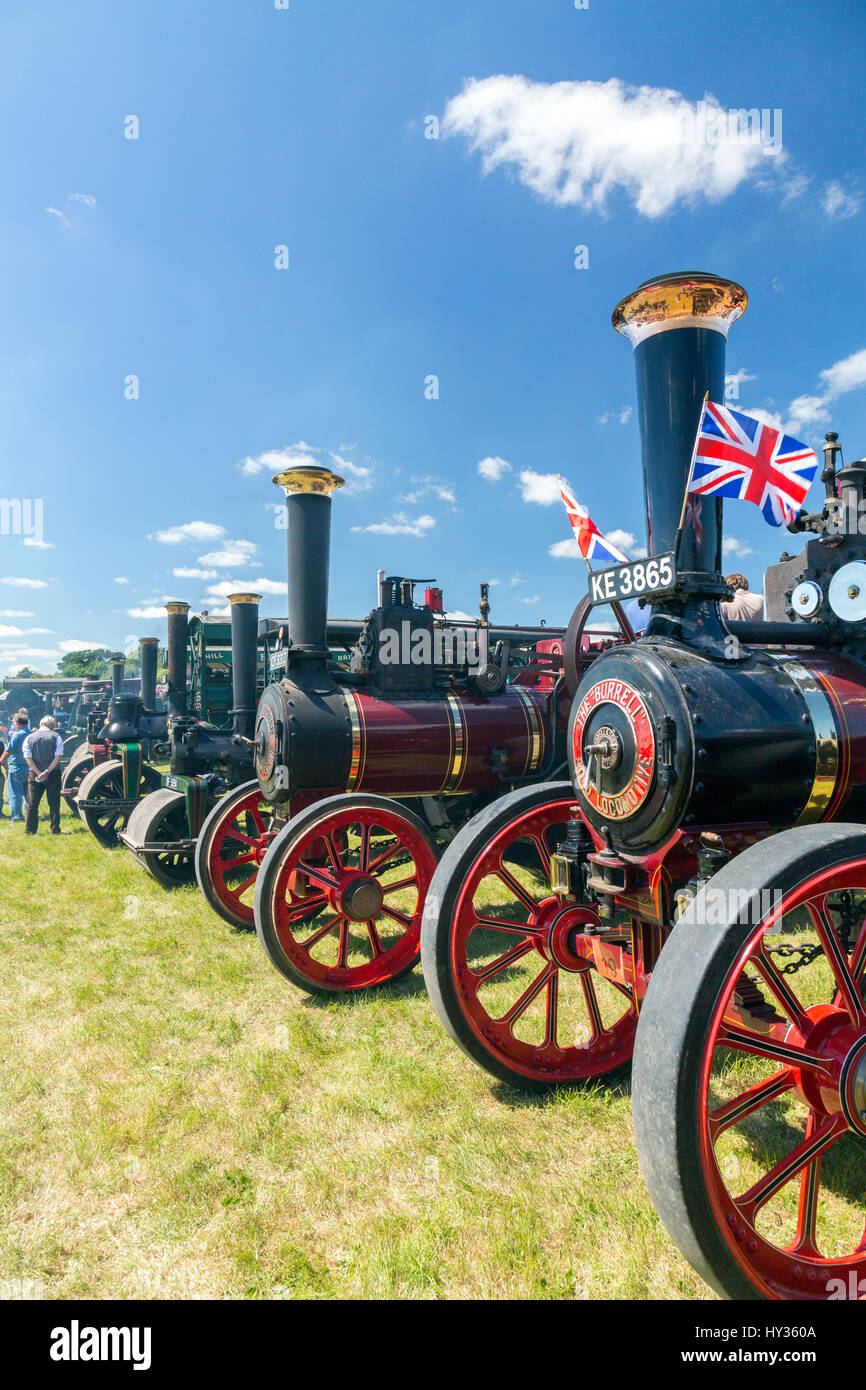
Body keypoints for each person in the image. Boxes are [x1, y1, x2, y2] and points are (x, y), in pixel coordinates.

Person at [23, 715, 64, 835]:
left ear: (41, 724)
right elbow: (58, 756)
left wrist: (38, 772)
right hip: (53, 773)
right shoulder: (56, 737)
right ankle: (55, 828)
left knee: (32, 803)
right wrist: (47, 771)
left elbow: (27, 757)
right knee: (54, 802)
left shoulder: (29, 738)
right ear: (51, 725)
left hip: (34, 774)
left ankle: (30, 830)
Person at [3, 714, 30, 822]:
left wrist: (1, 760)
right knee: (28, 795)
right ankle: (29, 814)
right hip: (29, 769)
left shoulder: (16, 735)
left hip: (16, 769)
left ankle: (17, 816)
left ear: (17, 724)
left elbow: (8, 751)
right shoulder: (31, 735)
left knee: (15, 794)